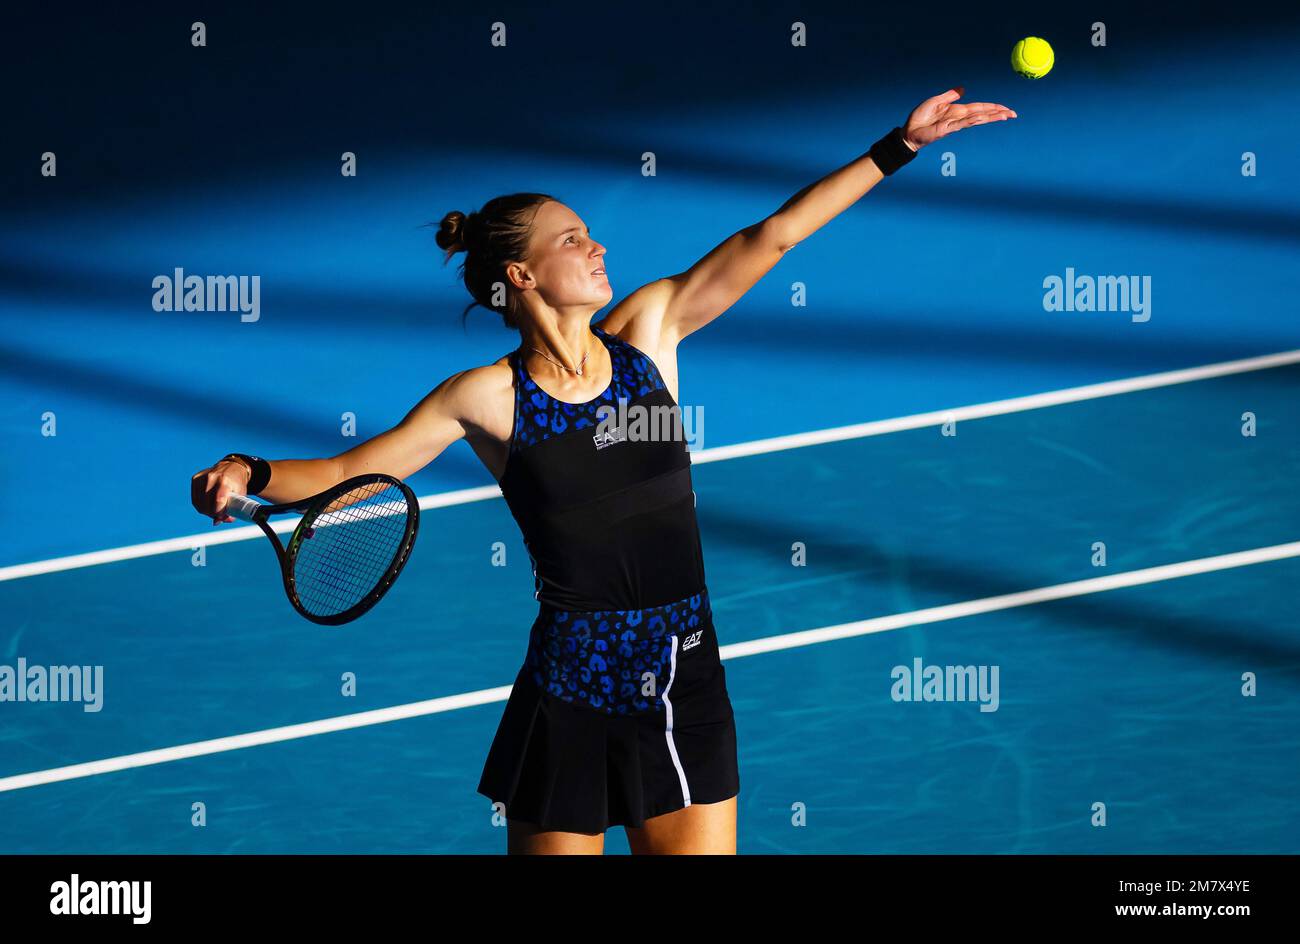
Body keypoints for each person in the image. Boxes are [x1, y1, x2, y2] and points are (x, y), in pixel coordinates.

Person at [190, 88, 1015, 854]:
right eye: (573, 240)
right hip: (571, 692)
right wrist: (251, 470)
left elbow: (775, 235)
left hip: (683, 675)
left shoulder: (650, 332)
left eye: (589, 234)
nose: (598, 246)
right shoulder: (486, 399)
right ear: (520, 276)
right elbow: (347, 470)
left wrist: (899, 146)